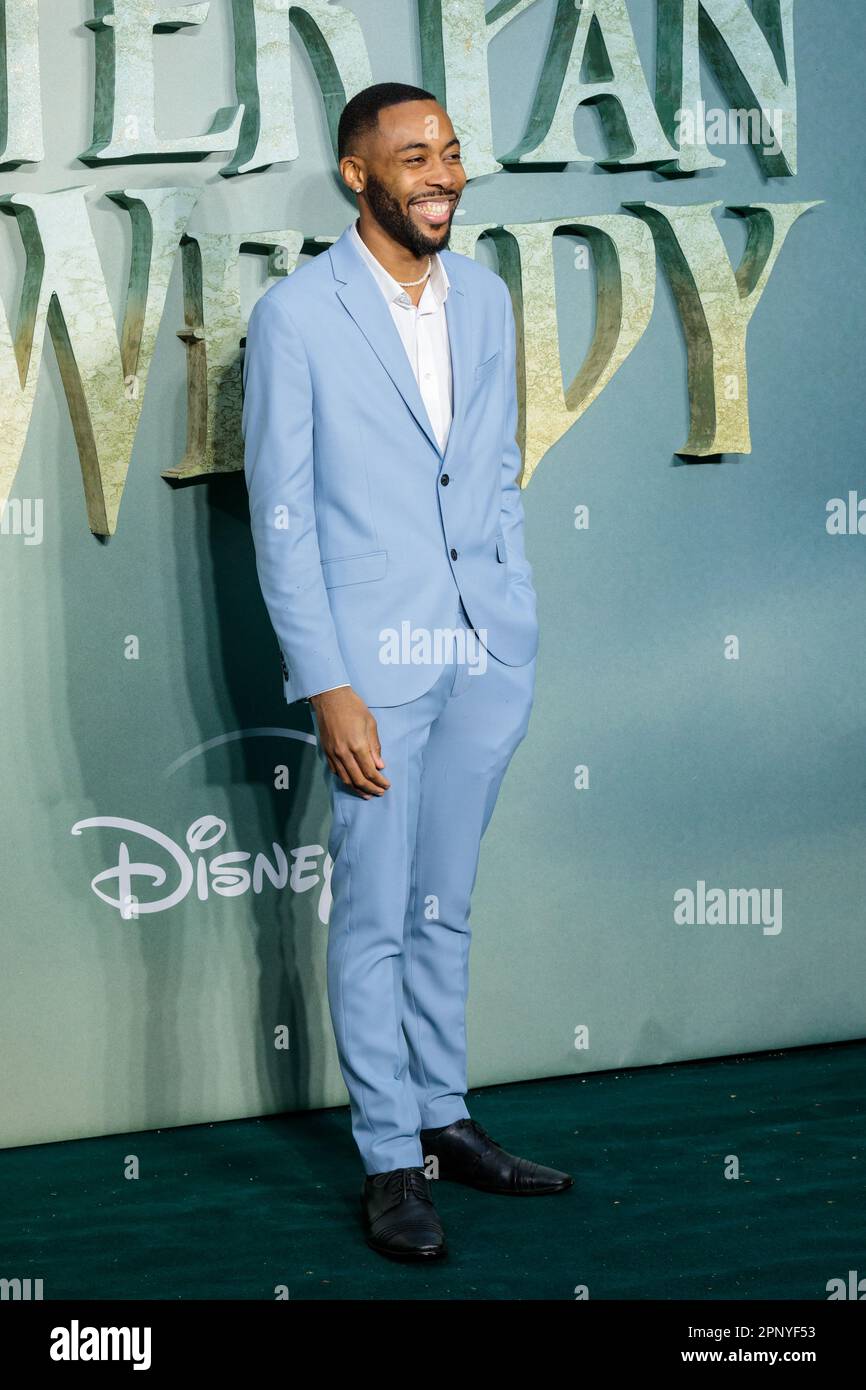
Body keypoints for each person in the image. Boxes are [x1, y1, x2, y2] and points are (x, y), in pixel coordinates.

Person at [242, 81, 572, 1261]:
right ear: (355, 174)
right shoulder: (296, 317)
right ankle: (389, 1158)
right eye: (412, 156)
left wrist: (510, 617)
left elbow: (491, 476)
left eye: (449, 152)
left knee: (446, 904)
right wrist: (327, 682)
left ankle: (444, 1117)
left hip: (482, 648)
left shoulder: (483, 299)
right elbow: (279, 519)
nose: (441, 174)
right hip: (371, 667)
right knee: (375, 914)